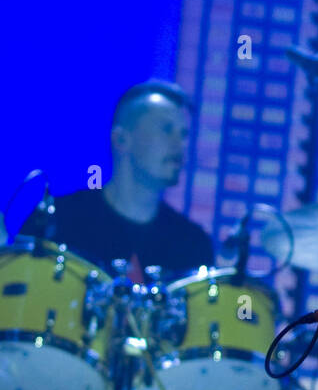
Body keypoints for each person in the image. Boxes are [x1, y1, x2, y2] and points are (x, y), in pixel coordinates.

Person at [20, 79, 213, 282]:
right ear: (121, 140)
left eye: (184, 135)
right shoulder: (58, 221)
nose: (180, 144)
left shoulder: (193, 246)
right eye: (166, 129)